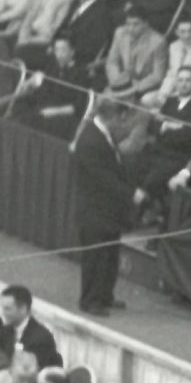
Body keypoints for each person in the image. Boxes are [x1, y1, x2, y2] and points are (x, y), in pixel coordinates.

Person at [71, 95, 131, 312]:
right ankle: (89, 300)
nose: (122, 123)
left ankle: (105, 295)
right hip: (93, 208)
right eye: (120, 118)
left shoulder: (104, 135)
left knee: (109, 255)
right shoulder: (90, 140)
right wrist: (129, 193)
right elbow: (102, 177)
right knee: (95, 257)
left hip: (107, 209)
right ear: (111, 117)